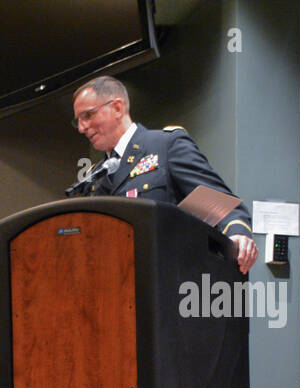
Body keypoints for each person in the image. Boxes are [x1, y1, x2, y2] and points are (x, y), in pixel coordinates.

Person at [69, 75, 258, 274]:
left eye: (88, 116)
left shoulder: (164, 146)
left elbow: (217, 203)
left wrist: (238, 235)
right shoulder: (95, 175)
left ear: (117, 107)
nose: (82, 128)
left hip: (166, 281)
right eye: (78, 121)